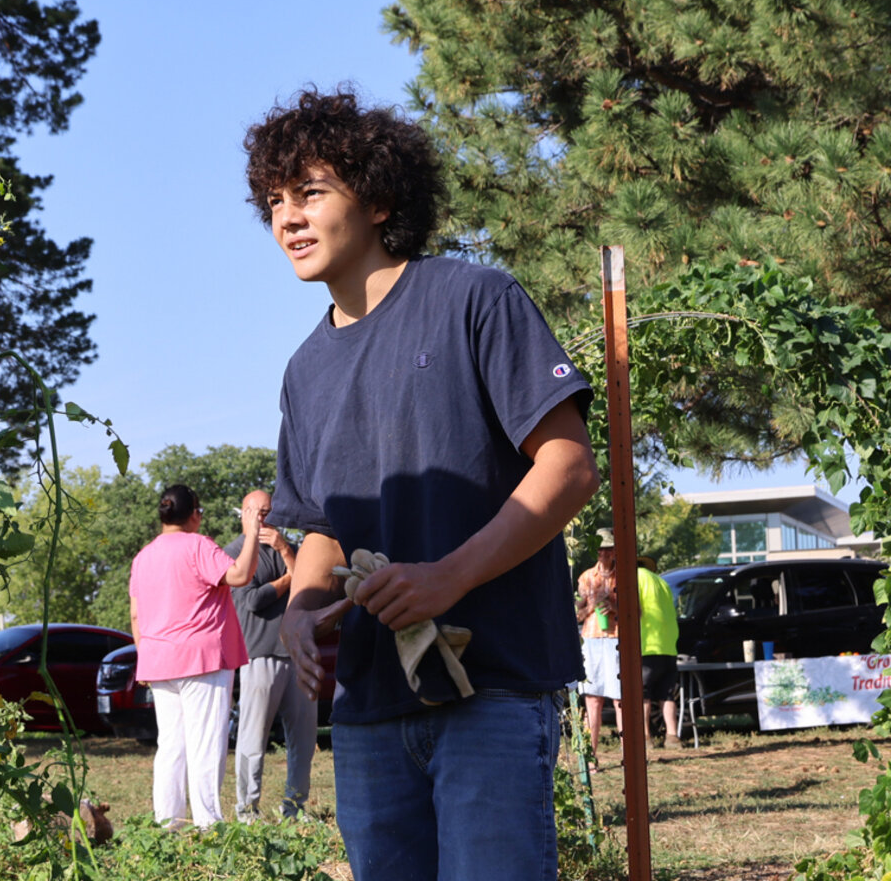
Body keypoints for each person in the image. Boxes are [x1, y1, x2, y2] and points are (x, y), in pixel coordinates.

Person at [253, 88, 601, 881]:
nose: (288, 219)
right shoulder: (304, 371)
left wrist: (448, 578)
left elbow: (569, 465)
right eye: (274, 201)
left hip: (493, 688)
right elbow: (322, 531)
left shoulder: (474, 299)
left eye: (310, 192)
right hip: (370, 708)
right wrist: (304, 613)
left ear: (378, 198)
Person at [128, 484, 262, 829]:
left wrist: (146, 657)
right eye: (200, 512)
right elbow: (240, 575)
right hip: (201, 659)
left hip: (159, 661)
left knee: (170, 745)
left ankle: (166, 823)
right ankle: (208, 823)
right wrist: (252, 534)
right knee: (206, 742)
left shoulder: (143, 557)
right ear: (193, 515)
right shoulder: (198, 545)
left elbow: (136, 615)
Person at [222, 489, 317, 821]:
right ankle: (247, 811)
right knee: (252, 738)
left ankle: (295, 807)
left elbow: (308, 584)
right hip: (260, 655)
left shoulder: (285, 548)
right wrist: (289, 579)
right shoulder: (235, 552)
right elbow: (253, 600)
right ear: (243, 514)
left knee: (304, 738)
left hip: (297, 653)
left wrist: (285, 551)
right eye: (256, 512)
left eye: (267, 511)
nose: (263, 519)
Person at [575, 527, 623, 752]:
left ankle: (628, 756)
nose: (604, 553)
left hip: (616, 639)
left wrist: (614, 607)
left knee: (620, 699)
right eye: (601, 549)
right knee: (592, 699)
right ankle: (590, 756)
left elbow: (637, 613)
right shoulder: (586, 578)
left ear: (615, 551)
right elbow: (575, 616)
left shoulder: (624, 575)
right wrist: (592, 607)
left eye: (609, 548)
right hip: (592, 639)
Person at [635, 554, 681, 748]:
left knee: (642, 693)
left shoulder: (634, 578)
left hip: (647, 643)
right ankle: (672, 736)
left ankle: (645, 737)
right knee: (667, 693)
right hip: (668, 644)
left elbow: (634, 610)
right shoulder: (661, 582)